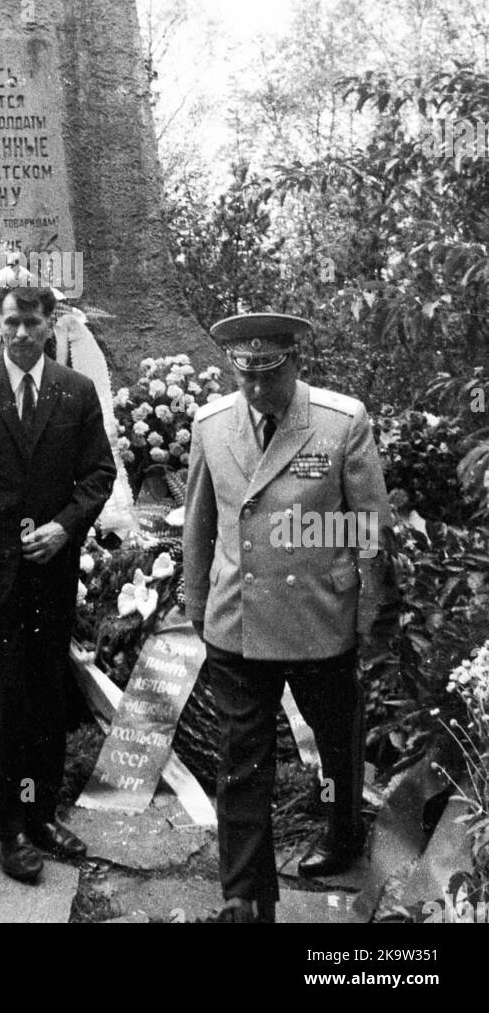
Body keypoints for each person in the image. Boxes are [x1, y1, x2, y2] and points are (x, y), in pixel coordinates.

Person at [182, 312, 396, 923]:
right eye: (243, 376)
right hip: (239, 618)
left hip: (318, 617)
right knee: (241, 756)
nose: (254, 390)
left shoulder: (339, 421)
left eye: (267, 375)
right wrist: (197, 603)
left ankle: (342, 828)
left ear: (294, 363)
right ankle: (245, 895)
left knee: (335, 739)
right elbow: (200, 522)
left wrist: (371, 612)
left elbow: (369, 527)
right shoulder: (211, 425)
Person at [0, 286, 116, 882]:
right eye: (10, 322)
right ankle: (7, 828)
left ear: (48, 325)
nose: (21, 334)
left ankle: (40, 814)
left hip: (50, 576)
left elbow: (99, 474)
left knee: (45, 699)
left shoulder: (76, 391)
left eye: (31, 322)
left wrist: (64, 528)